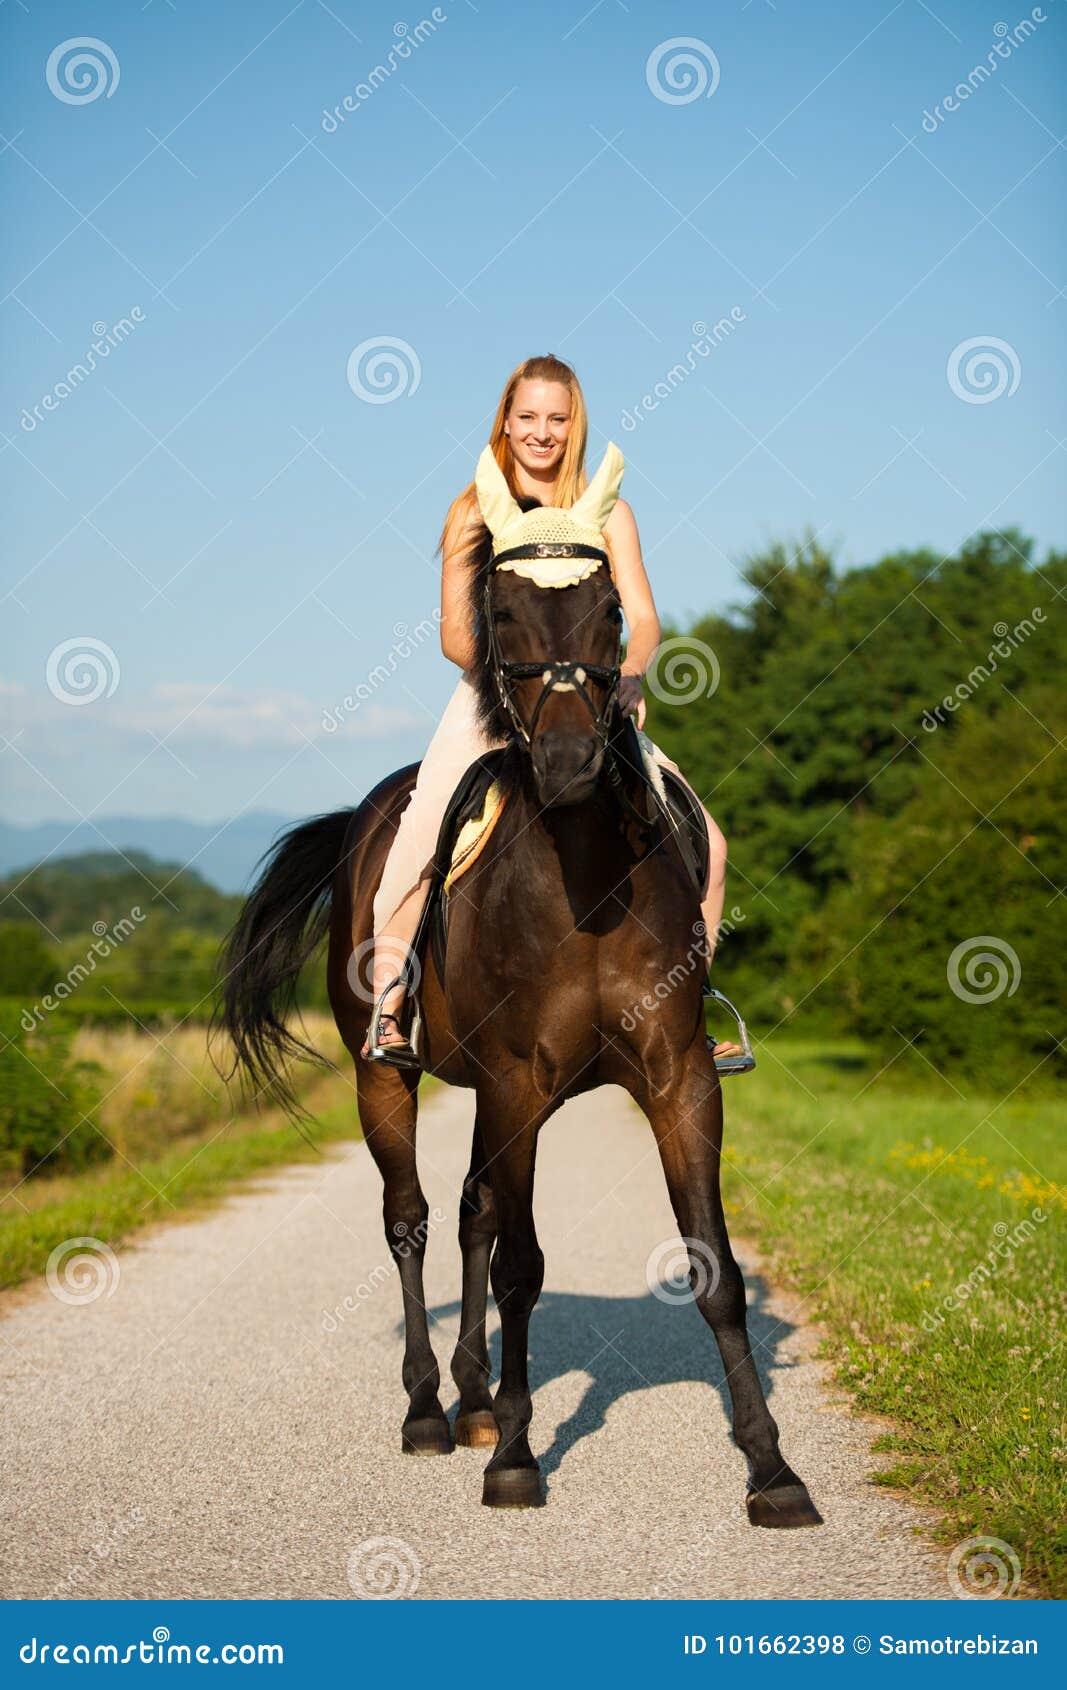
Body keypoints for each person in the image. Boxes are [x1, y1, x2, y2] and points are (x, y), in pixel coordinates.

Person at [361, 354, 751, 1073]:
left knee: (713, 847)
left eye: (557, 419)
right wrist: (520, 690)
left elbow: (643, 617)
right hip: (495, 700)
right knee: (417, 841)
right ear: (505, 423)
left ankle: (689, 1009)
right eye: (528, 417)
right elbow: (454, 635)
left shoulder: (610, 512)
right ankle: (389, 1006)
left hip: (596, 703)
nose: (542, 432)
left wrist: (629, 674)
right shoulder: (472, 510)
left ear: (575, 426)